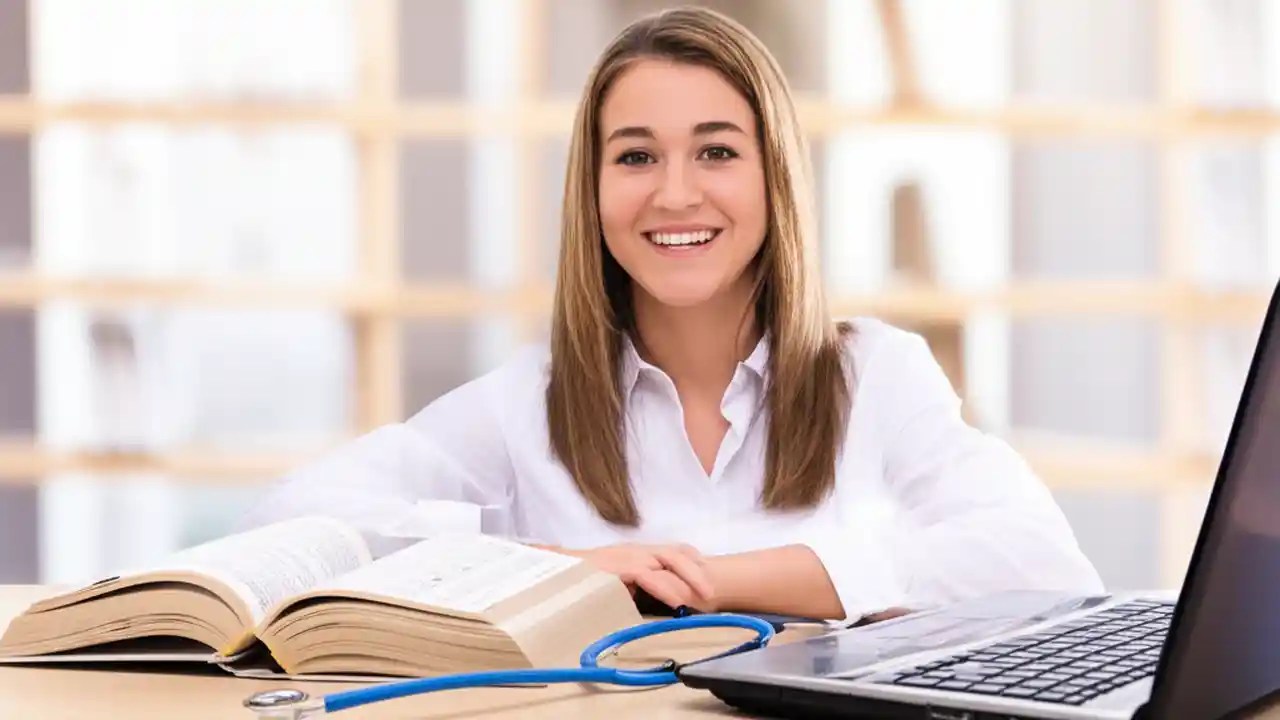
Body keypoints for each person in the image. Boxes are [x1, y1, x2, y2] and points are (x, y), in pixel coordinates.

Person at [243, 6, 1102, 622]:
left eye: (717, 151)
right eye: (637, 155)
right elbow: (293, 520)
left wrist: (718, 580)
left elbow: (1038, 557)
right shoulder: (528, 403)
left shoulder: (872, 373)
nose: (675, 192)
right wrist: (558, 568)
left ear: (776, 179)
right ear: (595, 189)